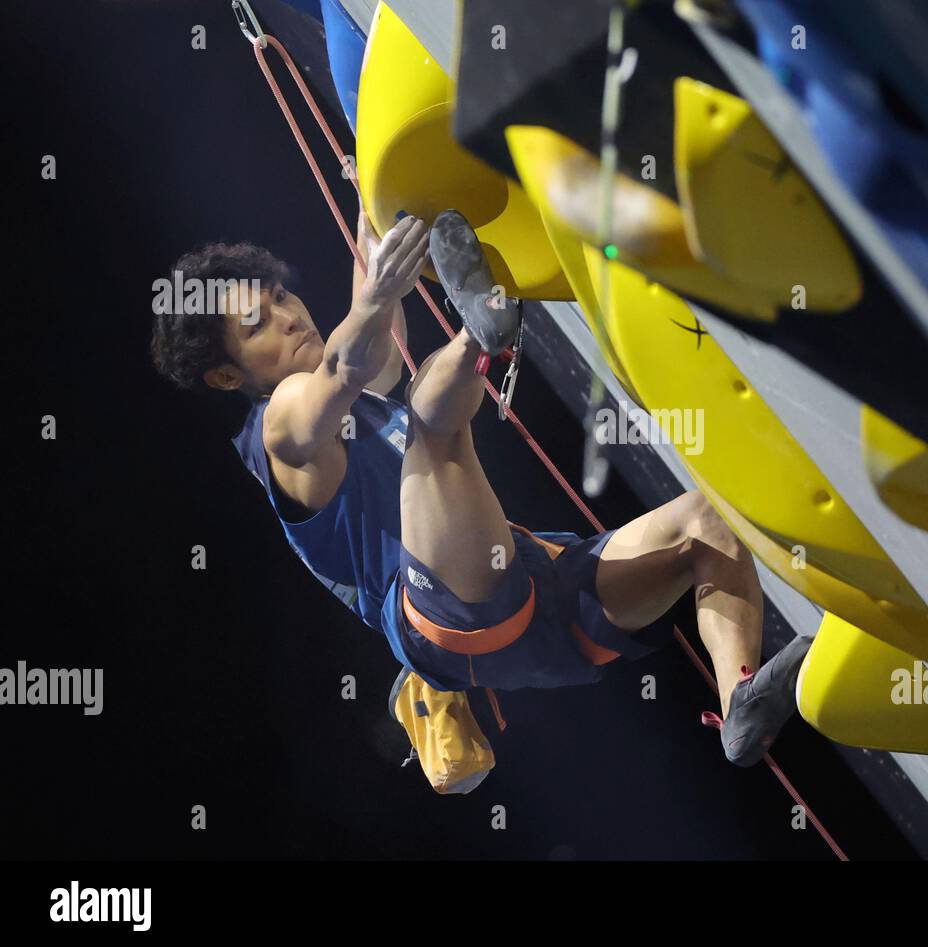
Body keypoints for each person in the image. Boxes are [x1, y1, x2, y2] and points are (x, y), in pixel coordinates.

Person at [149, 208, 812, 766]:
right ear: (228, 377)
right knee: (432, 426)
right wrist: (377, 296)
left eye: (281, 297)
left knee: (703, 523)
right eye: (257, 325)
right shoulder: (281, 431)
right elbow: (346, 360)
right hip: (439, 617)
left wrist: (371, 195)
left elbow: (371, 314)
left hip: (528, 602)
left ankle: (740, 701)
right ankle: (479, 335)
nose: (290, 316)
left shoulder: (350, 392)